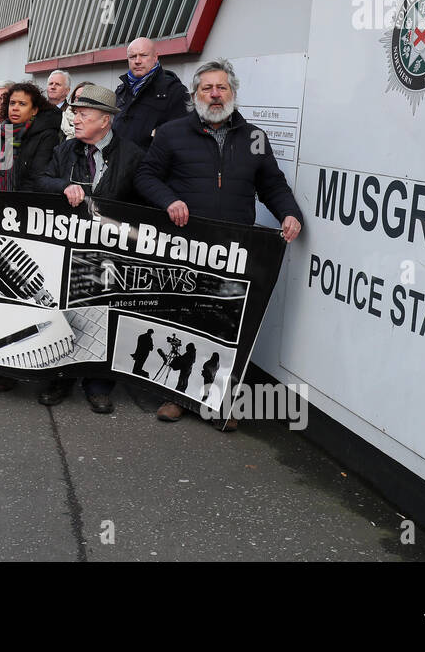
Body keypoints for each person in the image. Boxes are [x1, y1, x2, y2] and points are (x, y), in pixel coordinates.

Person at [135, 59, 303, 427]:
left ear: (233, 93)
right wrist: (168, 201)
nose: (214, 94)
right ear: (194, 94)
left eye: (221, 88)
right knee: (183, 317)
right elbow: (146, 176)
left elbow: (272, 184)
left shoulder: (254, 136)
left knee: (226, 323)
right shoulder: (171, 132)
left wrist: (290, 214)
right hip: (185, 244)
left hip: (234, 247)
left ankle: (218, 400)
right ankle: (176, 395)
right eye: (206, 88)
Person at [33, 83, 146, 414]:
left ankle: (98, 385)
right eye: (75, 114)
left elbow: (142, 199)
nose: (76, 119)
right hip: (68, 247)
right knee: (63, 311)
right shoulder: (66, 150)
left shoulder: (132, 155)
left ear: (105, 120)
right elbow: (41, 180)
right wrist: (63, 185)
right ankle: (60, 377)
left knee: (103, 314)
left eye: (83, 114)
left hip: (110, 253)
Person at [112, 37, 190, 150]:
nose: (137, 61)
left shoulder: (174, 90)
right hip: (119, 164)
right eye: (132, 57)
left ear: (155, 57)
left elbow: (181, 137)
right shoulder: (121, 91)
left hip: (152, 165)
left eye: (143, 55)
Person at [0, 81, 62, 192]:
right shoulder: (1, 132)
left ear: (34, 110)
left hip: (25, 203)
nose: (15, 108)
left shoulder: (46, 135)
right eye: (12, 103)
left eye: (22, 104)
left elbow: (38, 178)